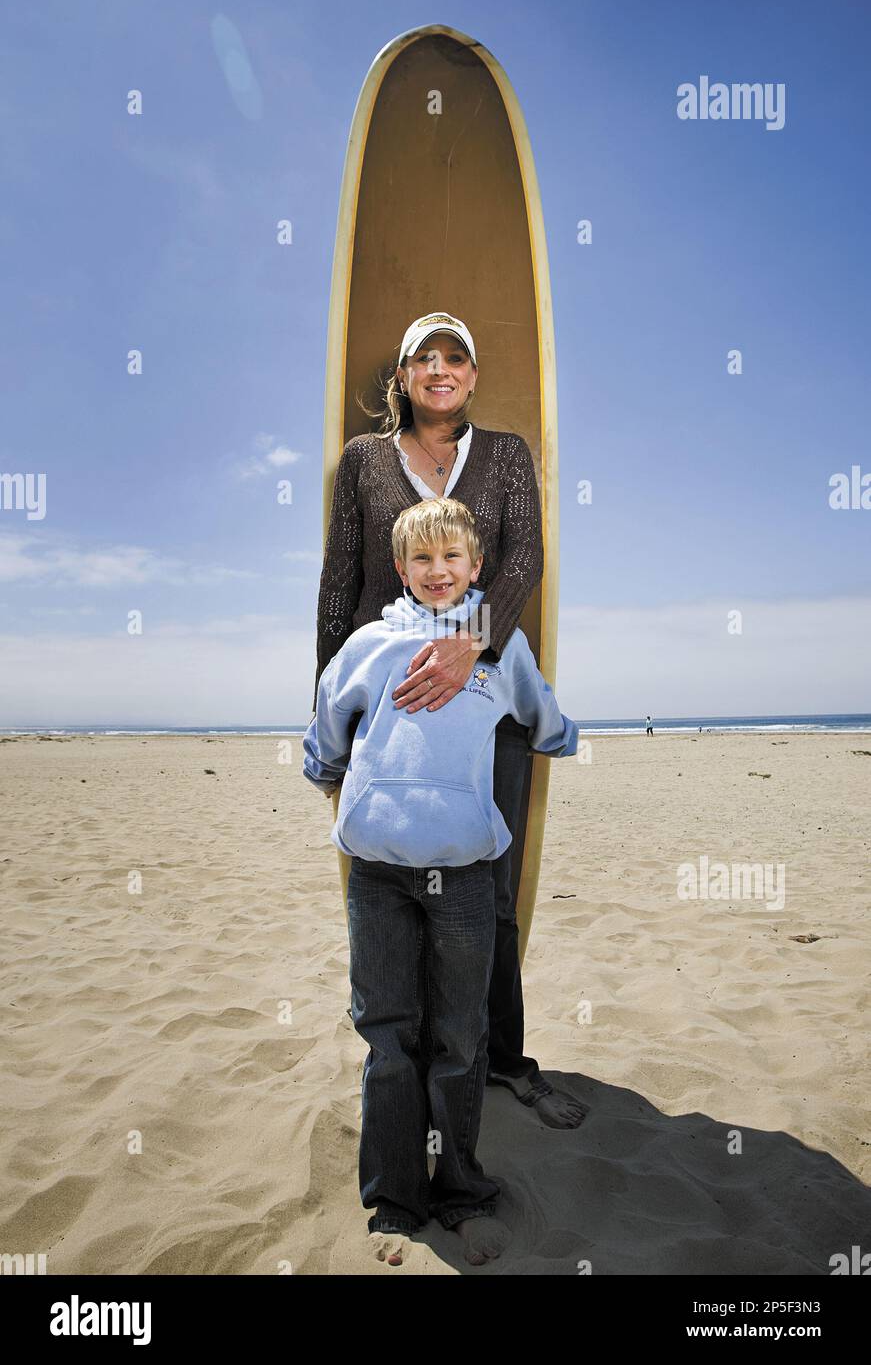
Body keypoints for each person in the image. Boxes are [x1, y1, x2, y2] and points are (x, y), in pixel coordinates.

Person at [312, 310, 587, 1131]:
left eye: (454, 358)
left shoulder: (505, 454)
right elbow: (339, 581)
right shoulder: (364, 460)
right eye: (422, 358)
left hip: (483, 705)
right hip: (388, 713)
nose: (439, 369)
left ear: (471, 376)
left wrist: (472, 644)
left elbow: (525, 558)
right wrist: (327, 707)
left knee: (488, 894)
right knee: (391, 884)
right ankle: (407, 1063)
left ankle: (502, 1060)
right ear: (401, 377)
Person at [303, 497, 578, 1266]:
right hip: (380, 874)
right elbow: (325, 732)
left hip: (461, 874)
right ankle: (394, 1199)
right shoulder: (364, 645)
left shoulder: (500, 649)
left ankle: (459, 1190)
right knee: (388, 1037)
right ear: (400, 569)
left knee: (459, 1040)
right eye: (420, 560)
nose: (436, 572)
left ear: (476, 567)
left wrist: (564, 733)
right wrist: (329, 774)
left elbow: (546, 718)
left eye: (451, 558)